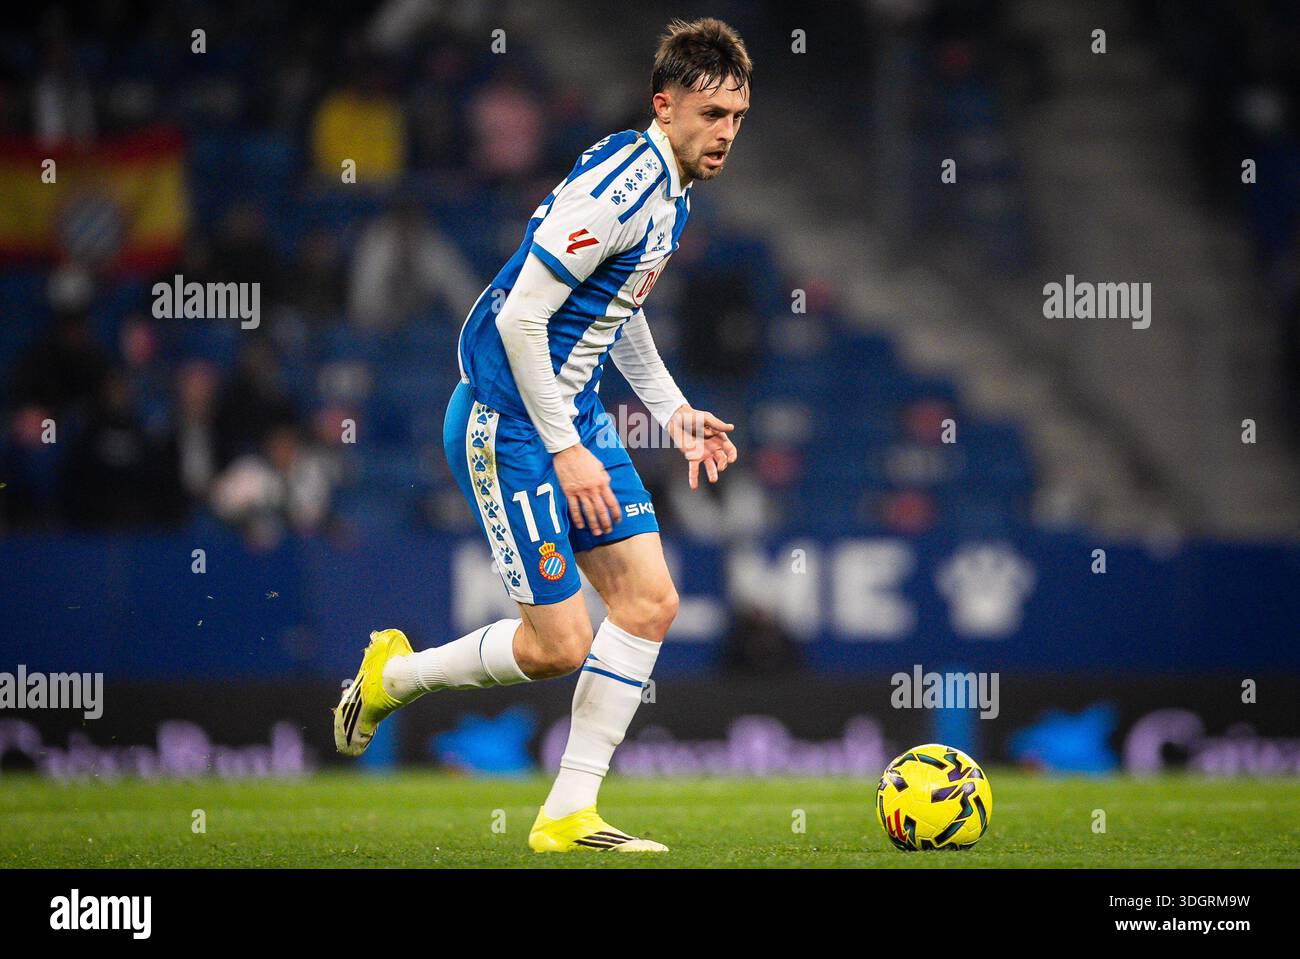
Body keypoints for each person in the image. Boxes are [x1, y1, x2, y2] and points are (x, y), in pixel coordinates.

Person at [334, 18, 751, 853]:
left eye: (737, 117)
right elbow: (524, 315)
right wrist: (565, 449)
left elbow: (613, 311)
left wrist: (671, 411)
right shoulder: (624, 187)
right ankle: (392, 676)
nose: (726, 134)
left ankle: (569, 813)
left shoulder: (670, 187)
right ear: (665, 106)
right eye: (712, 116)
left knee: (650, 601)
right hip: (510, 423)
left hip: (572, 415)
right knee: (560, 645)